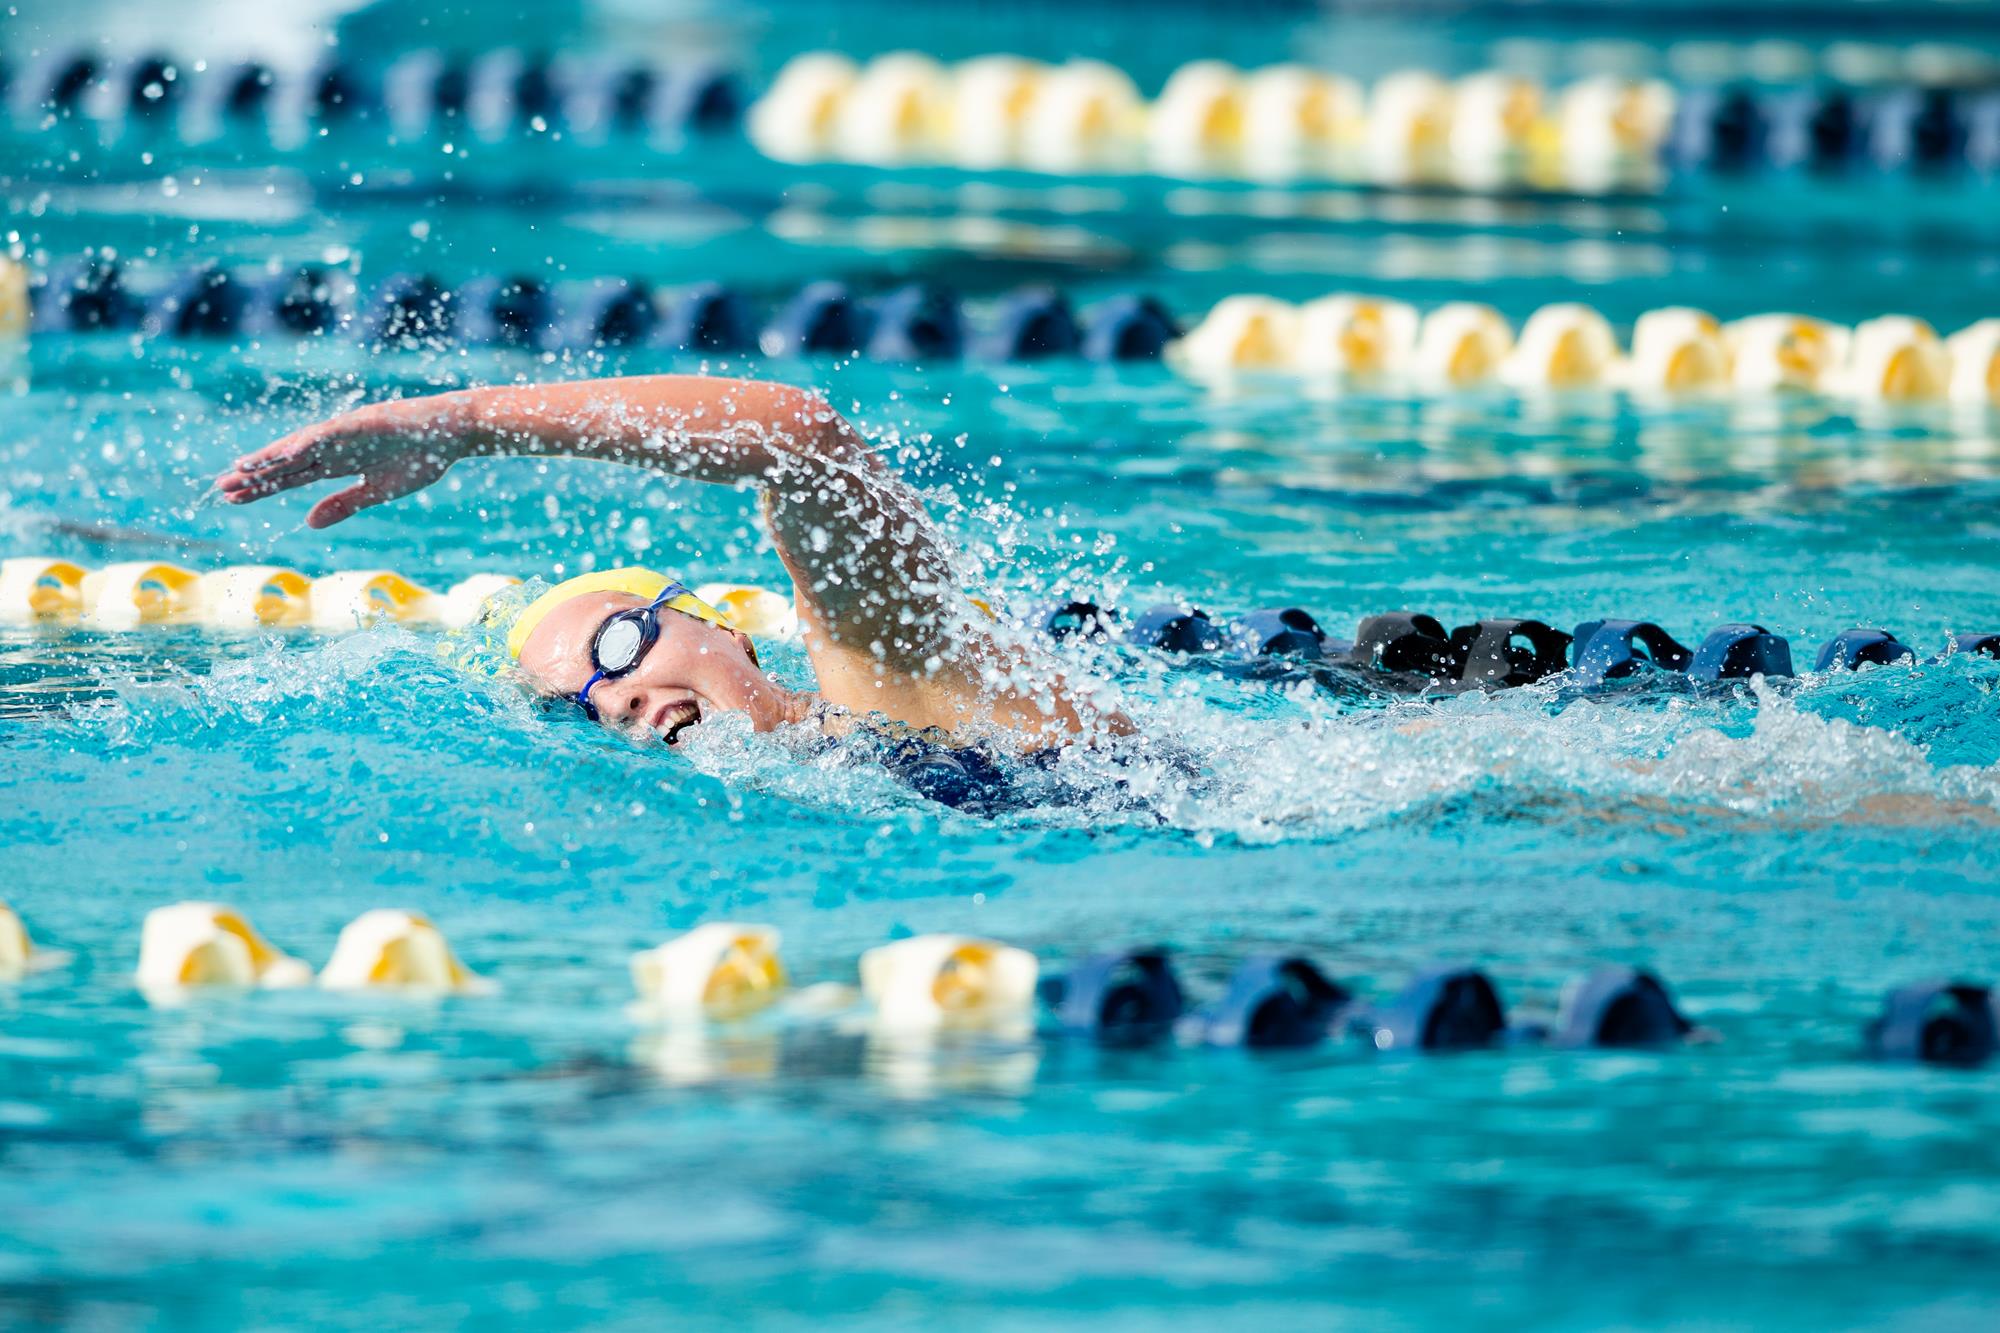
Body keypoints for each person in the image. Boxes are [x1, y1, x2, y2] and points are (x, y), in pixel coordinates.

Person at [216, 375, 1131, 779]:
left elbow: (797, 439)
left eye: (615, 644)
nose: (612, 698)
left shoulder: (896, 680)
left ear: (725, 628)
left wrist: (468, 421)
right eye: (580, 701)